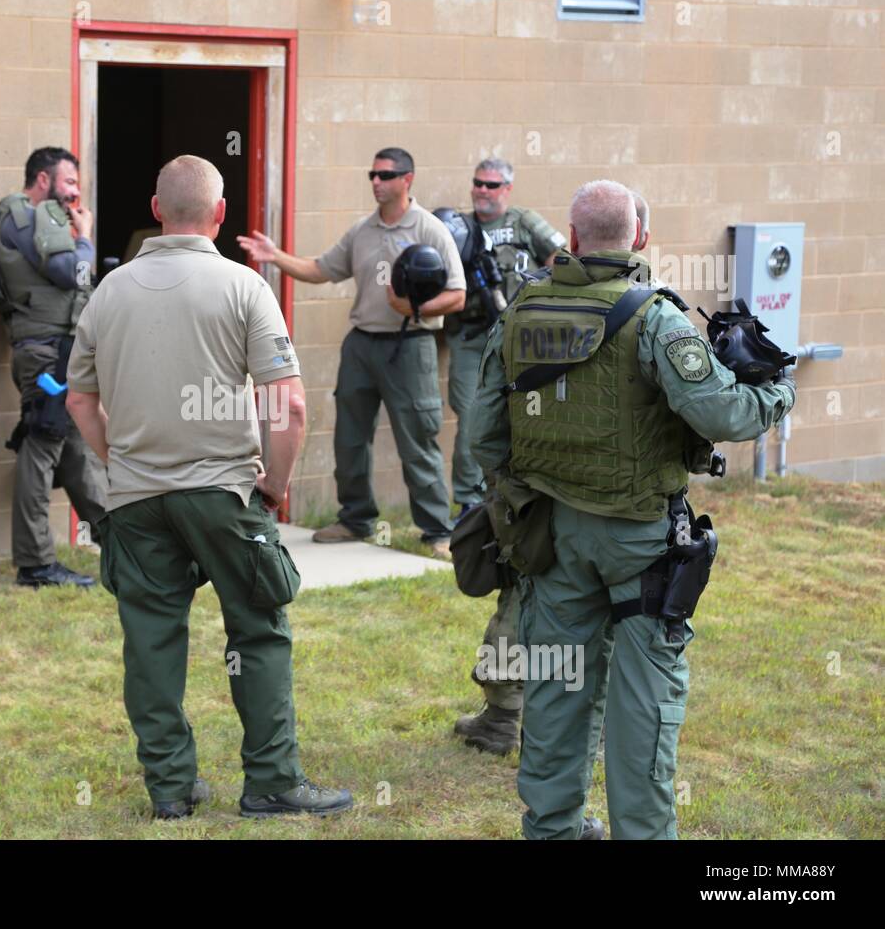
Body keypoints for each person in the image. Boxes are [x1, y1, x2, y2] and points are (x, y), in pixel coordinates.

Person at [469, 179, 796, 839]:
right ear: (640, 238)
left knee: (556, 693)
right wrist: (776, 396)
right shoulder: (655, 319)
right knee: (643, 705)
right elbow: (720, 411)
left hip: (550, 541)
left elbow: (482, 437)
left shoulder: (520, 313)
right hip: (640, 543)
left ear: (572, 233)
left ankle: (553, 829)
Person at [67, 155, 353, 819]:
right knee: (258, 629)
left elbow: (80, 402)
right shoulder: (245, 286)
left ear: (156, 209)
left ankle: (170, 789)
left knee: (151, 640)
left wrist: (122, 468)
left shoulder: (109, 290)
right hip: (226, 491)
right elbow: (289, 404)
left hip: (136, 500)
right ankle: (273, 782)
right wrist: (274, 484)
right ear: (221, 214)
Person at [237, 148, 466, 558]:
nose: (376, 181)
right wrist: (276, 257)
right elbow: (322, 269)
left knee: (417, 437)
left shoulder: (430, 229)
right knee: (349, 437)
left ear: (407, 179)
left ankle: (436, 531)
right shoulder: (362, 230)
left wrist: (415, 309)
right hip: (361, 343)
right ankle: (355, 518)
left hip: (409, 344)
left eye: (385, 174)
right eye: (372, 174)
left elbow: (457, 295)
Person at [0, 147, 108, 588]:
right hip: (46, 351)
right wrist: (85, 235)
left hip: (58, 347)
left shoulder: (26, 217)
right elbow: (71, 272)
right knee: (42, 447)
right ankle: (36, 564)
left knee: (73, 446)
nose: (76, 193)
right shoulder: (26, 215)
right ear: (43, 179)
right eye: (70, 182)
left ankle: (118, 539)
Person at [446, 158, 566, 518]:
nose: (483, 190)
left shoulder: (523, 221)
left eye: (492, 185)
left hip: (519, 333)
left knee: (528, 412)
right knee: (471, 415)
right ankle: (469, 500)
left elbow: (562, 257)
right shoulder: (457, 226)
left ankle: (522, 492)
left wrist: (540, 294)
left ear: (507, 189)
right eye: (478, 183)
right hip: (471, 335)